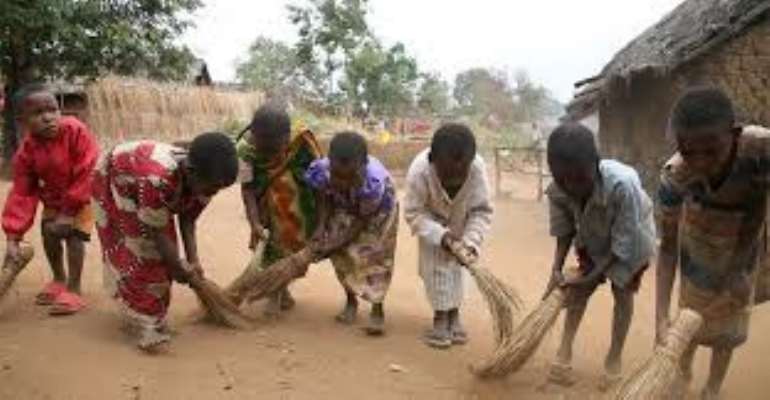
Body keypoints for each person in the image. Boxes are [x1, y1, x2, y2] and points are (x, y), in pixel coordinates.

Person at [656, 87, 770, 400]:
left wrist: (738, 271)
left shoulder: (761, 147)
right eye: (687, 151)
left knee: (727, 333)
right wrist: (660, 317)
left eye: (712, 151)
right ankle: (682, 373)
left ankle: (713, 387)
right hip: (698, 251)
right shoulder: (674, 177)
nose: (700, 162)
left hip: (744, 253)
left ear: (735, 134)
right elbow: (666, 249)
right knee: (688, 324)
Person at [92, 132, 238, 352]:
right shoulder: (156, 179)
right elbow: (156, 232)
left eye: (218, 190)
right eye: (211, 189)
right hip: (118, 180)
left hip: (152, 189)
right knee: (145, 254)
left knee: (164, 257)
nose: (212, 194)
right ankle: (142, 325)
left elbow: (188, 218)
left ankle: (152, 318)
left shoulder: (205, 179)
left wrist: (193, 261)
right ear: (191, 172)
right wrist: (179, 267)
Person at [544, 122, 656, 390]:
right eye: (563, 179)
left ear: (596, 163)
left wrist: (592, 276)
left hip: (633, 240)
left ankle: (614, 357)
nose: (572, 187)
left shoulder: (622, 184)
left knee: (622, 293)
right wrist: (556, 269)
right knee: (577, 293)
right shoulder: (558, 188)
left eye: (580, 178)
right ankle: (564, 351)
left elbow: (623, 244)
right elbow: (564, 230)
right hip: (591, 237)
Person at [2, 83, 99, 315]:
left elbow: (88, 168)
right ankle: (58, 279)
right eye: (38, 113)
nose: (48, 118)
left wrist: (68, 213)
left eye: (52, 110)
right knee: (48, 232)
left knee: (74, 235)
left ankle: (74, 289)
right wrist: (13, 238)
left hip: (81, 194)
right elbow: (22, 193)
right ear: (22, 120)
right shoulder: (27, 151)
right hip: (54, 198)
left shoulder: (75, 130)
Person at [403, 123, 492, 349]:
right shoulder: (419, 171)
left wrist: (470, 243)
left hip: (462, 223)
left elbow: (481, 211)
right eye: (447, 174)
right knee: (434, 270)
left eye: (461, 174)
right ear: (433, 160)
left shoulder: (477, 169)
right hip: (431, 226)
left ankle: (455, 314)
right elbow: (414, 212)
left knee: (459, 271)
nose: (454, 181)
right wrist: (439, 235)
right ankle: (440, 315)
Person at [305, 131, 398, 336]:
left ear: (363, 165)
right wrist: (321, 228)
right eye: (336, 175)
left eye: (348, 177)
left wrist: (331, 246)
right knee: (342, 256)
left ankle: (377, 307)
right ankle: (350, 300)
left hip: (377, 213)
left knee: (375, 258)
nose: (341, 181)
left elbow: (359, 223)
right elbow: (324, 198)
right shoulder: (322, 170)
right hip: (343, 205)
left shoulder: (374, 183)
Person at [237, 105, 322, 317]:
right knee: (271, 247)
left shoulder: (302, 141)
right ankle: (276, 291)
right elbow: (247, 190)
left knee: (295, 253)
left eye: (274, 149)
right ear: (254, 136)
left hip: (300, 208)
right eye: (263, 149)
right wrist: (254, 222)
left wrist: (321, 221)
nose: (269, 154)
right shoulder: (244, 152)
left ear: (286, 137)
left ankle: (281, 288)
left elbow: (320, 180)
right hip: (265, 207)